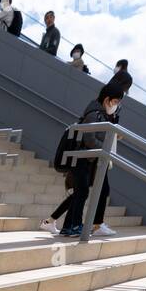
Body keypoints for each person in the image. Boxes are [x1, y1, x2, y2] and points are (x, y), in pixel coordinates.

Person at [59, 85, 126, 237]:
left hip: (85, 158)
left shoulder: (100, 114)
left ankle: (68, 227)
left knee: (80, 193)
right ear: (107, 99)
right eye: (114, 102)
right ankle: (75, 226)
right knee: (81, 193)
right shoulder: (94, 114)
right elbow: (89, 139)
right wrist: (106, 148)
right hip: (81, 157)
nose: (115, 106)